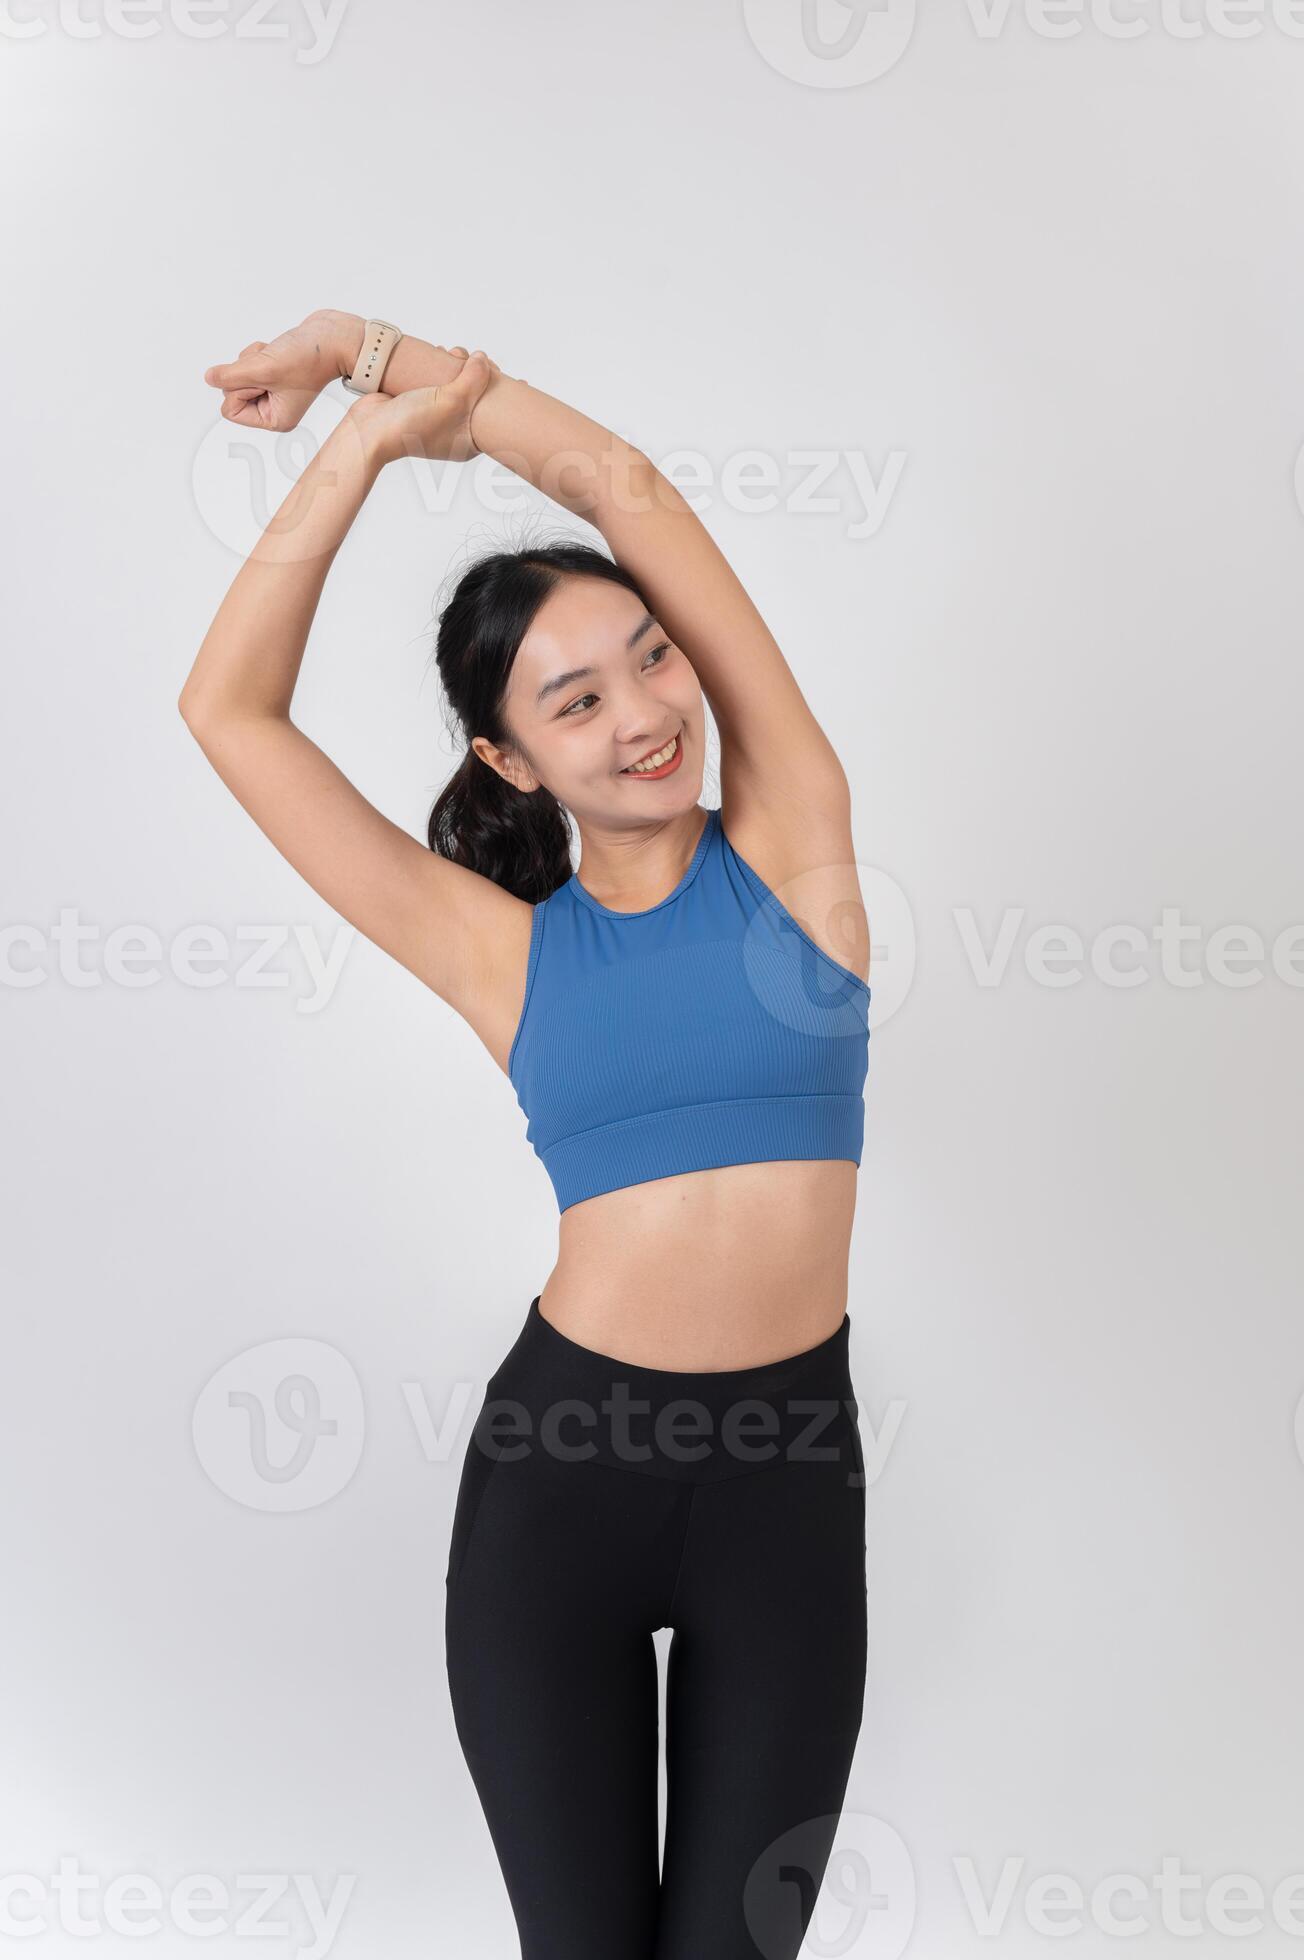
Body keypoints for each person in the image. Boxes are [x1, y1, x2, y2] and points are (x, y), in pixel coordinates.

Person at [184, 307, 873, 1960]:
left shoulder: (797, 839)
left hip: (790, 1481)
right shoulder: (503, 947)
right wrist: (360, 445)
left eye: (650, 655)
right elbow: (232, 714)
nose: (645, 708)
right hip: (558, 1479)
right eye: (577, 700)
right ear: (510, 757)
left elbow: (626, 489)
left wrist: (393, 354)